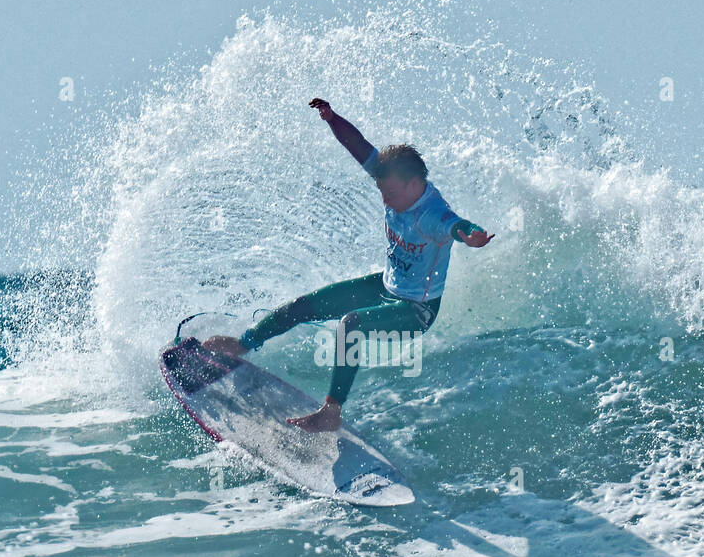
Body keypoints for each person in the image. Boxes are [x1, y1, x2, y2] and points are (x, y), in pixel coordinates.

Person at [204, 98, 493, 432]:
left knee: (350, 326)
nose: (386, 201)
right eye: (381, 191)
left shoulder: (432, 214)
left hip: (416, 311)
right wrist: (331, 118)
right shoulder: (393, 178)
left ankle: (331, 412)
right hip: (386, 287)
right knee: (302, 306)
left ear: (415, 185)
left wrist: (471, 236)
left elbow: (457, 225)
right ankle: (242, 344)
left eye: (392, 194)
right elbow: (359, 147)